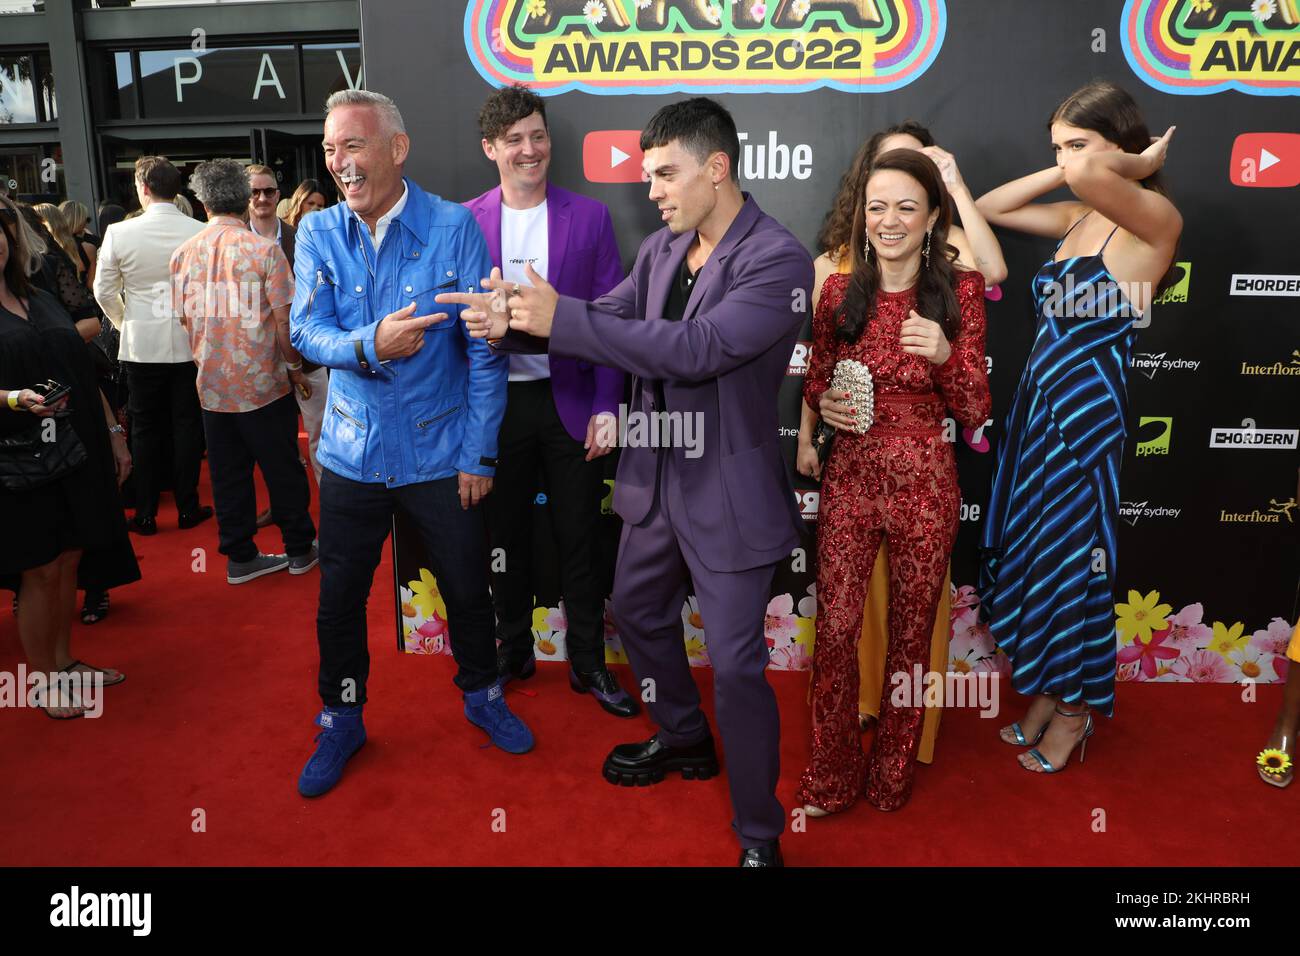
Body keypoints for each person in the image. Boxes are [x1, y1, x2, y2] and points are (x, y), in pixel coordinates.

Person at [443, 98, 812, 867]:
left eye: (666, 174)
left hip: (730, 494)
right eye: (648, 177)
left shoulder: (778, 259)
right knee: (638, 611)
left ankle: (759, 835)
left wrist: (560, 318)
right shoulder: (663, 252)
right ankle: (683, 736)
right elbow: (604, 315)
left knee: (740, 667)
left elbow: (699, 348)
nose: (653, 192)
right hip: (654, 473)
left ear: (717, 168)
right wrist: (509, 315)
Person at [290, 89, 526, 799]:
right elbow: (305, 332)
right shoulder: (317, 233)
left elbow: (485, 351)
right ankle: (342, 716)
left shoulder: (454, 227)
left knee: (464, 586)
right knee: (339, 598)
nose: (339, 163)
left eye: (353, 146)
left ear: (396, 148)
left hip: (440, 452)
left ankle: (483, 695)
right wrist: (371, 343)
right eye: (331, 149)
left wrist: (479, 452)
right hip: (351, 457)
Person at [975, 80, 1182, 772]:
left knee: (1075, 564)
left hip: (1085, 420)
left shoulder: (1154, 220)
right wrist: (1074, 162)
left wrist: (1130, 166)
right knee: (1039, 553)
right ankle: (1047, 687)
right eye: (1056, 147)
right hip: (1038, 410)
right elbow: (985, 208)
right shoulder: (1074, 215)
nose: (1066, 162)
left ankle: (1074, 712)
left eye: (1076, 144)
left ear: (1123, 150)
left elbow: (1097, 174)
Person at [798, 120, 1007, 751]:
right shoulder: (836, 289)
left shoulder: (960, 290)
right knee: (836, 631)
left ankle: (894, 764)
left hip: (925, 486)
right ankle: (831, 770)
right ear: (861, 213)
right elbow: (815, 380)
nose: (890, 220)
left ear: (931, 217)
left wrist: (946, 356)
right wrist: (826, 404)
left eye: (906, 208)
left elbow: (975, 410)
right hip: (851, 479)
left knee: (912, 636)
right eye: (877, 206)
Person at [464, 83, 634, 716]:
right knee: (502, 536)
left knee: (580, 538)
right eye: (515, 140)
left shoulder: (588, 216)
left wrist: (608, 407)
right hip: (496, 409)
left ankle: (588, 663)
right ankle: (513, 652)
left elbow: (612, 321)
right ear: (491, 149)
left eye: (538, 136)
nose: (530, 149)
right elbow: (454, 325)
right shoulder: (466, 220)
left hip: (571, 403)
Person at [0, 195, 138, 718]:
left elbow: (80, 365)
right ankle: (43, 681)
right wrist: (14, 400)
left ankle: (64, 663)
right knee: (37, 569)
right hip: (14, 456)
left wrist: (111, 431)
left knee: (69, 556)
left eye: (2, 230)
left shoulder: (38, 295)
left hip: (74, 441)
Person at [173, 159, 318, 584]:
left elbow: (184, 318)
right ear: (243, 198)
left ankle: (239, 555)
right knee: (282, 468)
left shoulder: (182, 255)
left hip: (212, 385)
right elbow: (284, 322)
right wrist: (294, 368)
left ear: (202, 202)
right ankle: (298, 549)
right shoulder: (263, 251)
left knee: (227, 475)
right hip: (264, 384)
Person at [93, 156, 212, 536]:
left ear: (143, 188)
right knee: (187, 425)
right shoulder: (199, 230)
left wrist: (127, 323)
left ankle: (145, 513)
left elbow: (103, 291)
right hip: (190, 342)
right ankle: (187, 507)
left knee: (145, 428)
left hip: (141, 344)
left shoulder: (118, 233)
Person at [247, 164, 326, 498]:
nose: (262, 198)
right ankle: (284, 507)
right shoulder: (235, 242)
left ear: (279, 196)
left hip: (308, 354)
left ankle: (333, 505)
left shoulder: (303, 238)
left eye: (269, 191)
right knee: (271, 443)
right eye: (255, 192)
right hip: (258, 358)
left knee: (320, 433)